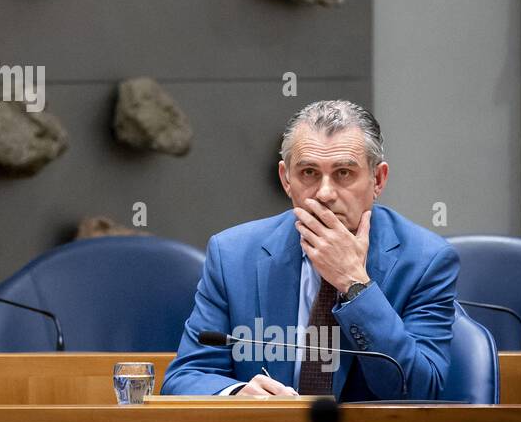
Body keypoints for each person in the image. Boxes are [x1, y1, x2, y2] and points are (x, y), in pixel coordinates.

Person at [161, 100, 458, 401]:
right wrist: (237, 393)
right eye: (308, 173)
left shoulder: (426, 261)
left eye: (343, 173)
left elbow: (419, 391)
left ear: (378, 180)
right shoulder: (233, 255)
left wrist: (355, 285)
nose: (325, 193)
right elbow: (185, 377)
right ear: (286, 179)